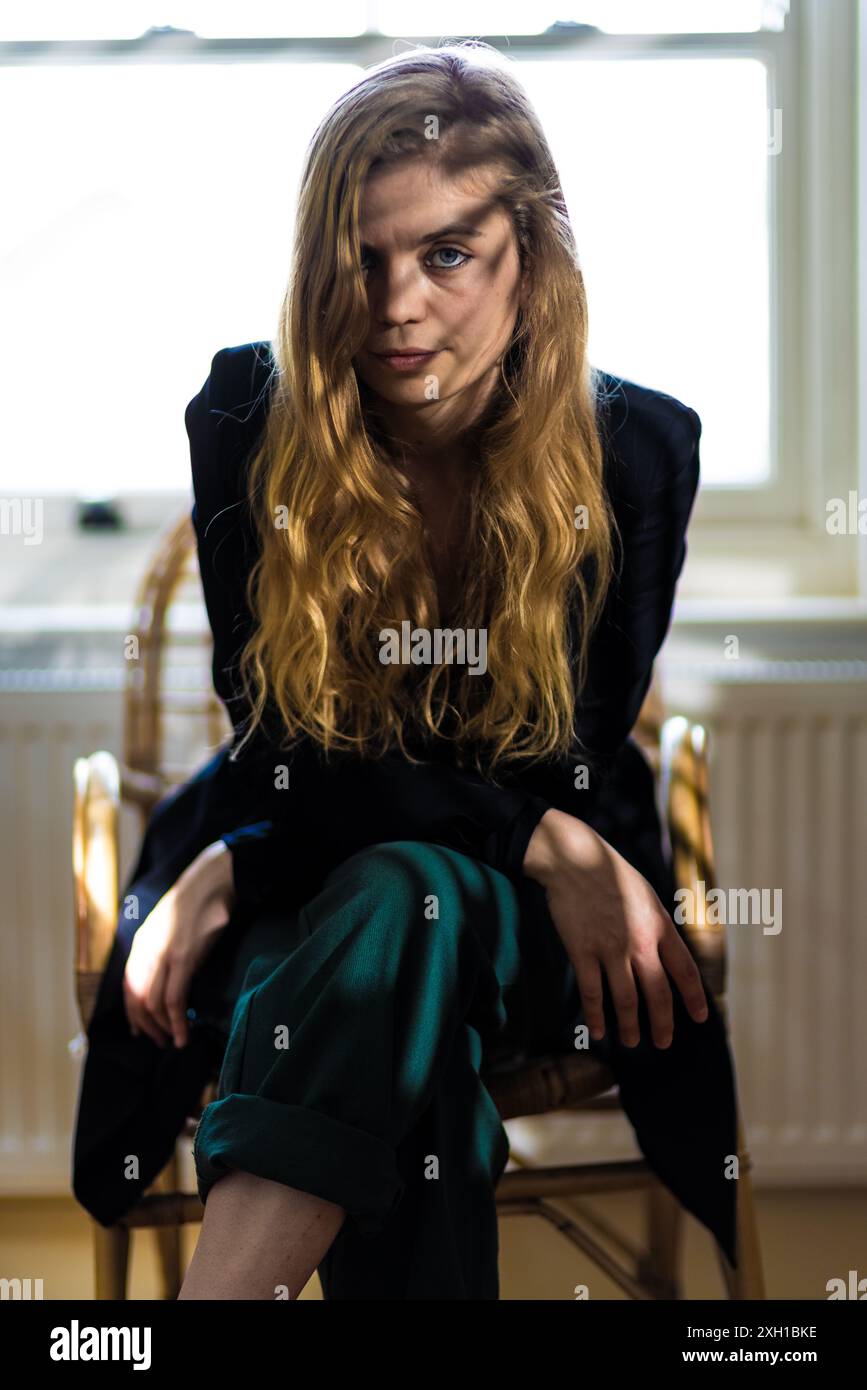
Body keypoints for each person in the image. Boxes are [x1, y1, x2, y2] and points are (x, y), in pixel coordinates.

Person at [71, 42, 740, 1300]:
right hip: (325, 885)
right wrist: (538, 838)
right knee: (404, 990)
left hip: (530, 923)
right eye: (360, 258)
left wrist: (245, 854)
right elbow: (283, 754)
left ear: (531, 265)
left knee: (405, 908)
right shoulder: (247, 420)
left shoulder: (635, 452)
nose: (396, 303)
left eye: (446, 254)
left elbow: (567, 759)